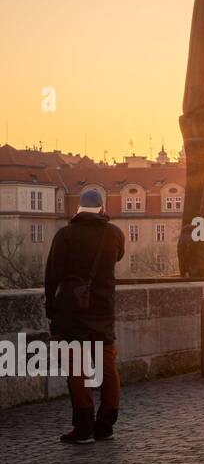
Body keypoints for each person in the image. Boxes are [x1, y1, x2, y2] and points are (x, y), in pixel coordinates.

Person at [44, 187, 125, 443]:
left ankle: (83, 428)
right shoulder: (114, 234)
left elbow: (52, 275)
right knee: (108, 367)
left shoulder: (65, 235)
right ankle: (106, 425)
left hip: (72, 313)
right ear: (101, 208)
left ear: (79, 208)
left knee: (77, 369)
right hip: (103, 310)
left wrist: (52, 311)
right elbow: (119, 256)